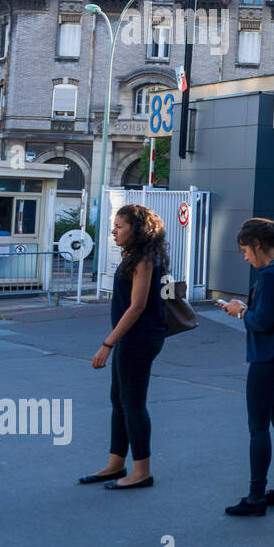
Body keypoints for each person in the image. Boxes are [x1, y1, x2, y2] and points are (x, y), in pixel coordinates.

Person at [79, 204, 168, 490]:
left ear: (137, 229)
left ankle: (142, 471)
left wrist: (107, 344)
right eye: (114, 226)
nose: (114, 231)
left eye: (120, 226)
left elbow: (137, 306)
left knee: (133, 404)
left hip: (139, 339)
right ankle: (116, 464)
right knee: (119, 402)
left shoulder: (144, 260)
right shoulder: (134, 256)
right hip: (131, 338)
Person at [220, 218, 274, 517]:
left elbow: (260, 321)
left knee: (258, 428)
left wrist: (240, 312)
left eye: (245, 250)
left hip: (266, 358)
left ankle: (255, 497)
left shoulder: (269, 276)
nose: (244, 257)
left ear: (257, 245)